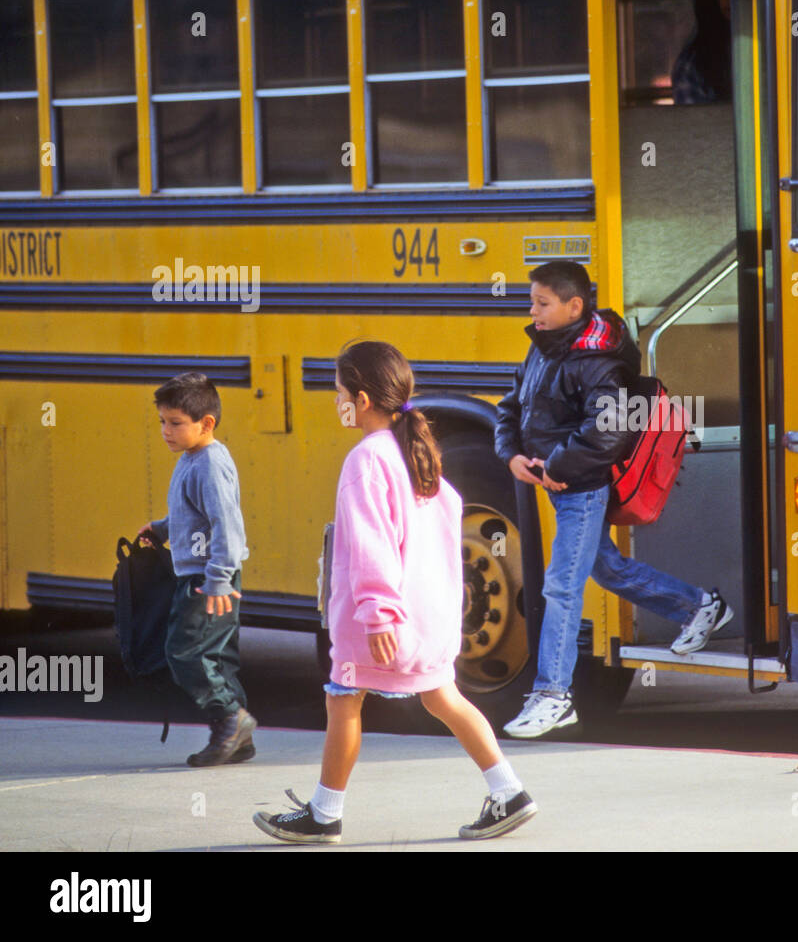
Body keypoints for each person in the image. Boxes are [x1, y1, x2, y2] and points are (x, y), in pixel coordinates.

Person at [254, 341, 536, 844]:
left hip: (378, 618)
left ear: (361, 399)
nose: (336, 401)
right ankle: (508, 790)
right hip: (425, 617)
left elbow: (370, 542)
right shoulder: (418, 454)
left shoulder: (367, 459)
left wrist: (378, 613)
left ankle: (324, 814)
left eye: (338, 392)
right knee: (443, 698)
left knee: (343, 701)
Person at [495, 261, 733, 739]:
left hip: (581, 487)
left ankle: (553, 696)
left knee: (562, 588)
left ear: (573, 306)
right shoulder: (542, 347)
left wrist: (556, 466)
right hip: (556, 482)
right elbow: (511, 405)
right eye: (532, 301)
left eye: (541, 303)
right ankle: (699, 606)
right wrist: (513, 456)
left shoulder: (601, 361)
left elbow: (607, 433)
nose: (532, 311)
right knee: (607, 570)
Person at [138, 372, 255, 767]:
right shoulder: (192, 458)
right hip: (210, 576)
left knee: (184, 652)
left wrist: (218, 579)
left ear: (206, 423)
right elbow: (194, 514)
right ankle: (237, 738)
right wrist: (163, 528)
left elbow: (226, 523)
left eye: (175, 423)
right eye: (161, 422)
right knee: (218, 656)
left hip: (208, 580)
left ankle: (228, 719)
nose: (165, 431)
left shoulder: (209, 463)